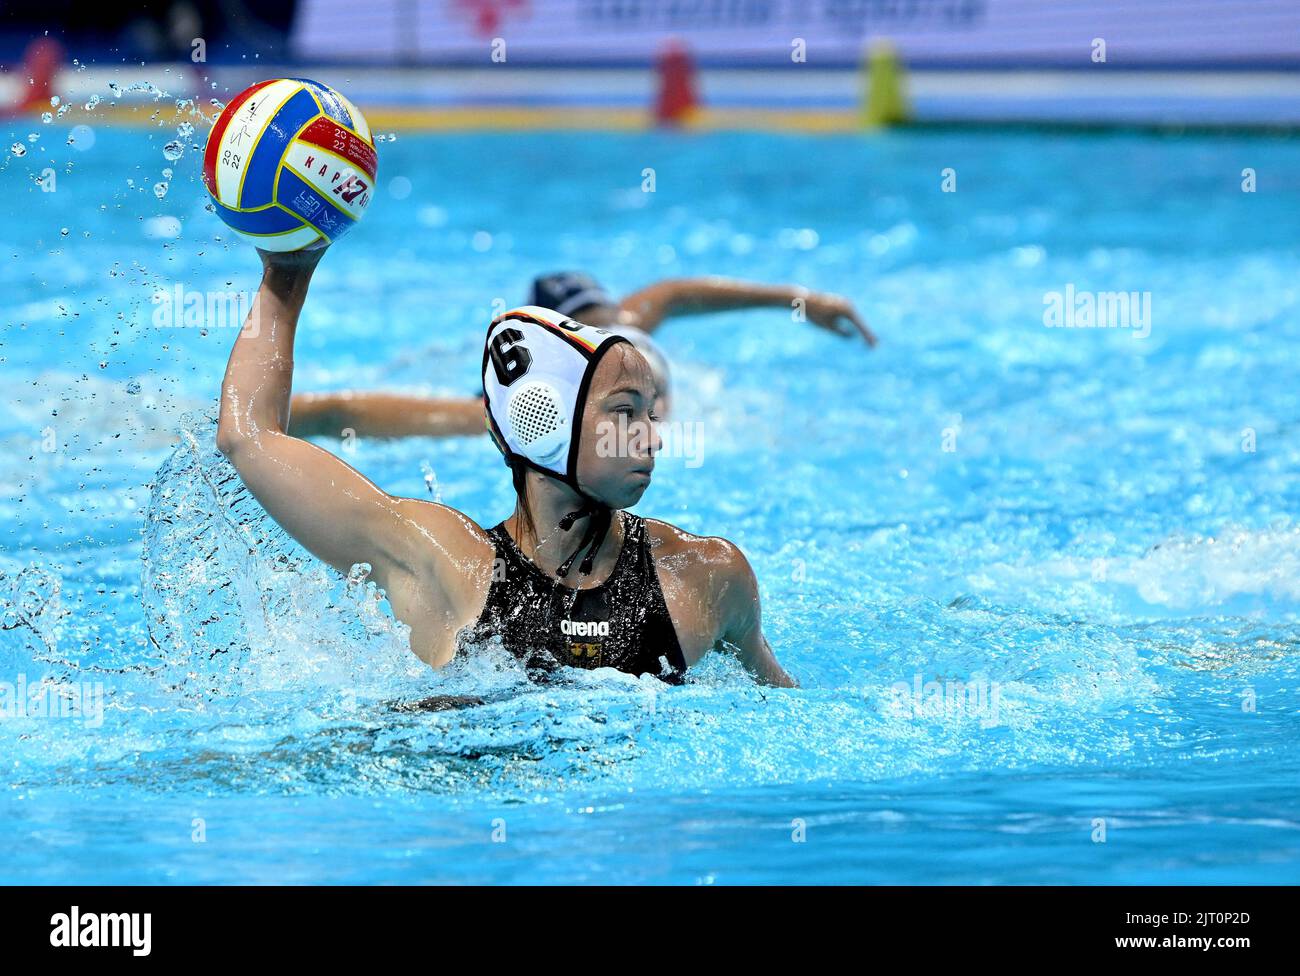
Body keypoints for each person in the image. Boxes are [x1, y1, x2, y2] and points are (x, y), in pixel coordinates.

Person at [216, 248, 797, 688]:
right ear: (542, 421)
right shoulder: (445, 561)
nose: (654, 439)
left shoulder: (706, 575)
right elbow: (249, 438)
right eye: (625, 413)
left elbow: (788, 714)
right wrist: (286, 273)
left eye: (651, 413)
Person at [287, 270, 874, 439]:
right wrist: (799, 299)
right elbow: (674, 292)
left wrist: (289, 415)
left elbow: (352, 411)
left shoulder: (557, 387)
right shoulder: (622, 331)